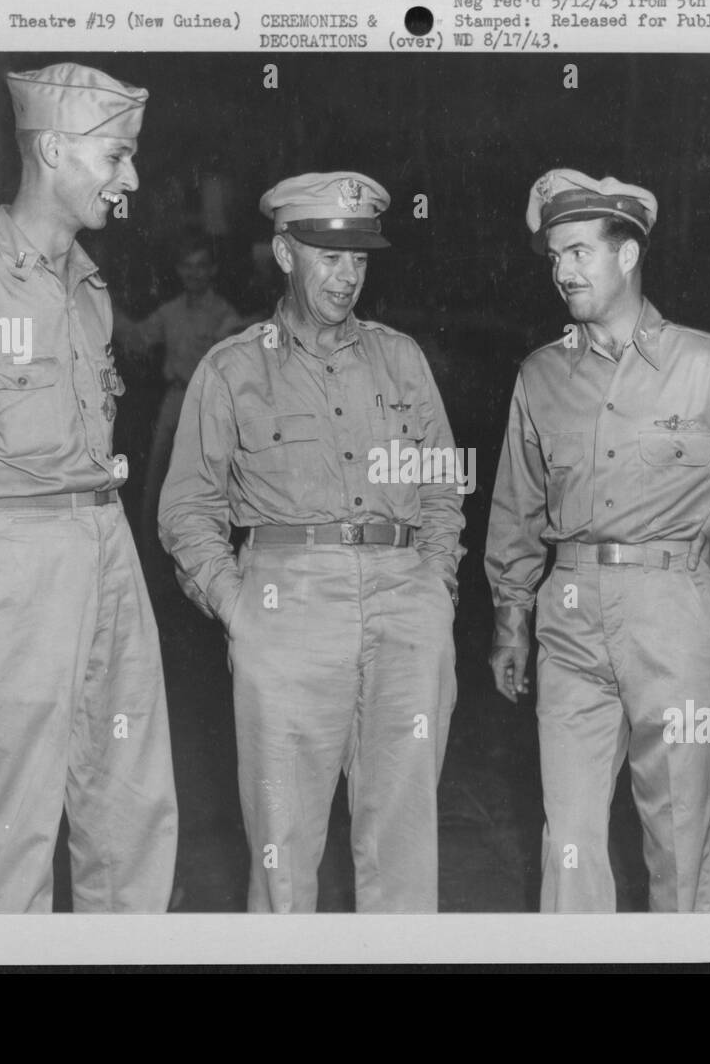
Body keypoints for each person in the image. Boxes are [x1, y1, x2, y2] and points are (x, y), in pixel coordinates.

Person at [486, 169, 710, 913]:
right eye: (554, 258)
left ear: (627, 254)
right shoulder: (540, 374)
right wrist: (511, 616)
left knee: (677, 832)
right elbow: (516, 506)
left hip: (671, 612)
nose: (563, 271)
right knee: (566, 839)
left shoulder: (705, 363)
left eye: (578, 252)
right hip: (567, 618)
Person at [159, 172, 464, 913]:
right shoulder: (231, 369)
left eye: (360, 258)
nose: (347, 276)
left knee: (404, 850)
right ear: (284, 253)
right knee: (283, 854)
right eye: (329, 256)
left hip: (405, 606)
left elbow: (441, 490)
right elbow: (187, 509)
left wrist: (437, 587)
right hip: (286, 605)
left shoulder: (402, 359)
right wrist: (239, 611)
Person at [0, 62, 178, 913]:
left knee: (131, 803)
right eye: (116, 156)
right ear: (51, 150)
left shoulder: (90, 287)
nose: (132, 178)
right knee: (11, 822)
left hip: (105, 540)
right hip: (13, 556)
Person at [114, 230, 243, 566]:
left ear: (212, 270)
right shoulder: (170, 311)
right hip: (174, 402)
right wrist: (104, 306)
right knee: (155, 488)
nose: (193, 273)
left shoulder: (224, 313)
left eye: (201, 266)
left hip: (207, 408)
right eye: (187, 266)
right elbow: (139, 338)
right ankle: (151, 567)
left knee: (207, 493)